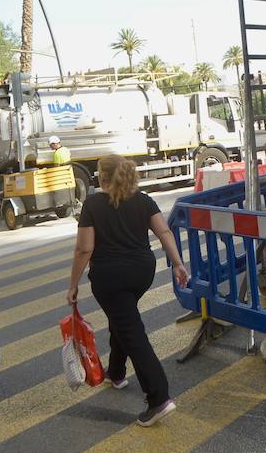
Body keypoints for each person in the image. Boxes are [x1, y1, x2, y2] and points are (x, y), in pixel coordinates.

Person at [67, 154, 190, 427]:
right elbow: (164, 233)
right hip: (142, 272)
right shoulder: (144, 200)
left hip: (110, 277)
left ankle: (159, 398)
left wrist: (73, 284)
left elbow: (84, 248)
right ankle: (117, 372)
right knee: (123, 318)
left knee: (132, 331)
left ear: (103, 176)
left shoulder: (93, 204)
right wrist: (178, 264)